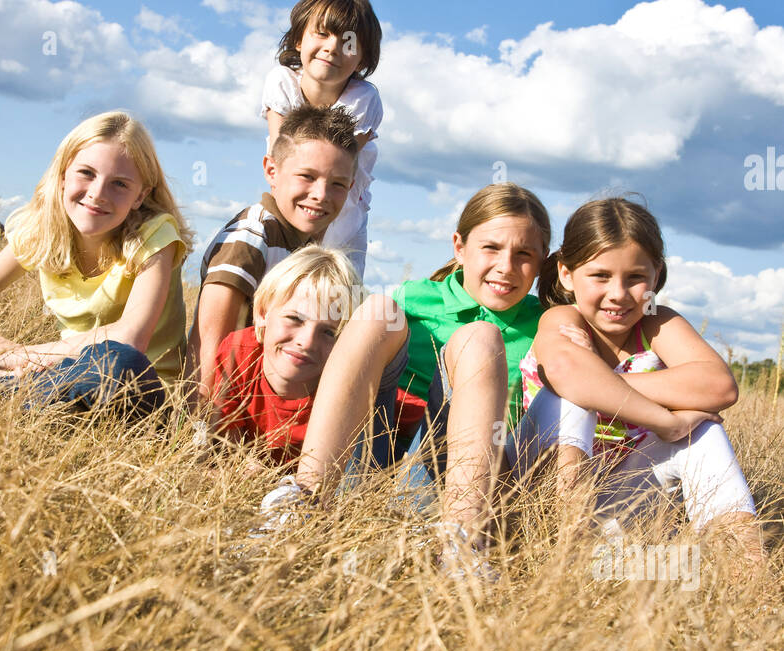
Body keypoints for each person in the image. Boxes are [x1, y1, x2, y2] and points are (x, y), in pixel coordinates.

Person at [258, 183, 552, 559]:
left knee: (480, 339)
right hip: (366, 462)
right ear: (459, 248)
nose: (506, 267)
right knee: (378, 311)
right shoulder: (413, 298)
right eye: (491, 248)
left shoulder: (545, 326)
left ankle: (462, 545)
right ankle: (305, 499)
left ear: (543, 261)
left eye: (524, 254)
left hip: (455, 482)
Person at [514, 196, 761, 551]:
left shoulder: (658, 323)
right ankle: (565, 549)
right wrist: (667, 421)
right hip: (539, 487)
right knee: (569, 400)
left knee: (703, 433)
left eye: (635, 278)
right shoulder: (562, 319)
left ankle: (746, 571)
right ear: (567, 274)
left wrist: (599, 382)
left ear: (656, 275)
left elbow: (720, 386)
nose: (618, 294)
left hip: (619, 498)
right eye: (600, 276)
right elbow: (566, 372)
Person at [0, 111, 192, 413]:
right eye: (86, 173)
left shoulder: (154, 235)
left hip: (119, 383)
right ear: (63, 176)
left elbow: (130, 338)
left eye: (119, 184)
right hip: (48, 373)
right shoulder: (43, 228)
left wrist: (16, 355)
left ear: (140, 196)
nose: (97, 194)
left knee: (120, 362)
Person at [186, 103, 358, 407]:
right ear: (271, 170)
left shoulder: (303, 246)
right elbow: (209, 347)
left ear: (351, 187)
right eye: (307, 176)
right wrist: (198, 432)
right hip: (226, 409)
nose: (321, 194)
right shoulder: (251, 236)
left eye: (337, 184)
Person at [262, 0, 382, 276]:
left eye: (349, 42)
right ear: (298, 39)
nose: (332, 47)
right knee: (277, 278)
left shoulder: (363, 98)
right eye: (323, 34)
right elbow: (282, 156)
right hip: (294, 195)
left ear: (363, 60)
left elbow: (338, 162)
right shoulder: (281, 82)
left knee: (336, 285)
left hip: (343, 211)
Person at [208, 246, 365, 462]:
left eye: (329, 332)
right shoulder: (240, 352)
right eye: (295, 319)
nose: (307, 342)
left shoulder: (342, 388)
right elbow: (227, 444)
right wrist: (242, 467)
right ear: (263, 313)